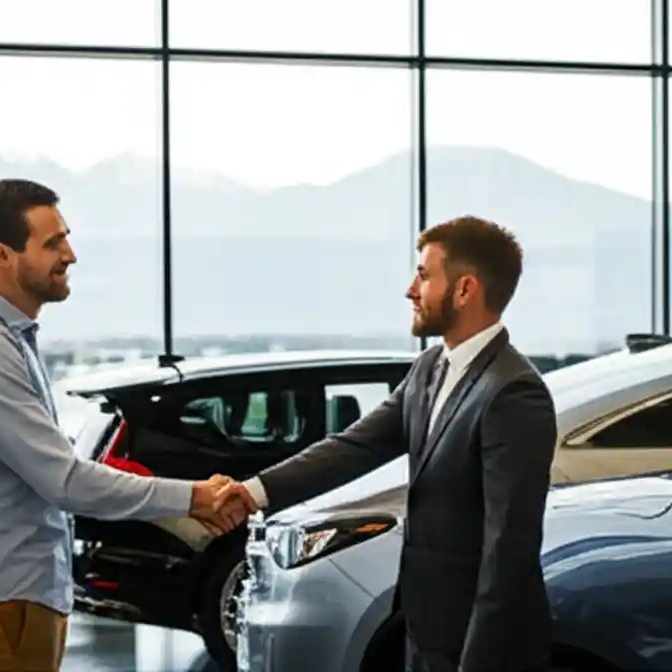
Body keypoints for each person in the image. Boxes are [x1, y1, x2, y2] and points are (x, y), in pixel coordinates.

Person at [0, 179, 249, 671]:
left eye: (66, 237)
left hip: (18, 592)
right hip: (1, 595)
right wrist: (194, 497)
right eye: (52, 242)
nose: (70, 254)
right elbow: (65, 481)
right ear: (2, 255)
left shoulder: (4, 340)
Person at [221, 216, 557, 672]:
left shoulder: (513, 392)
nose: (410, 289)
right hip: (423, 629)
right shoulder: (429, 369)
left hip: (477, 646)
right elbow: (354, 446)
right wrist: (254, 491)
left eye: (423, 274)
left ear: (465, 289)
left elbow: (508, 550)